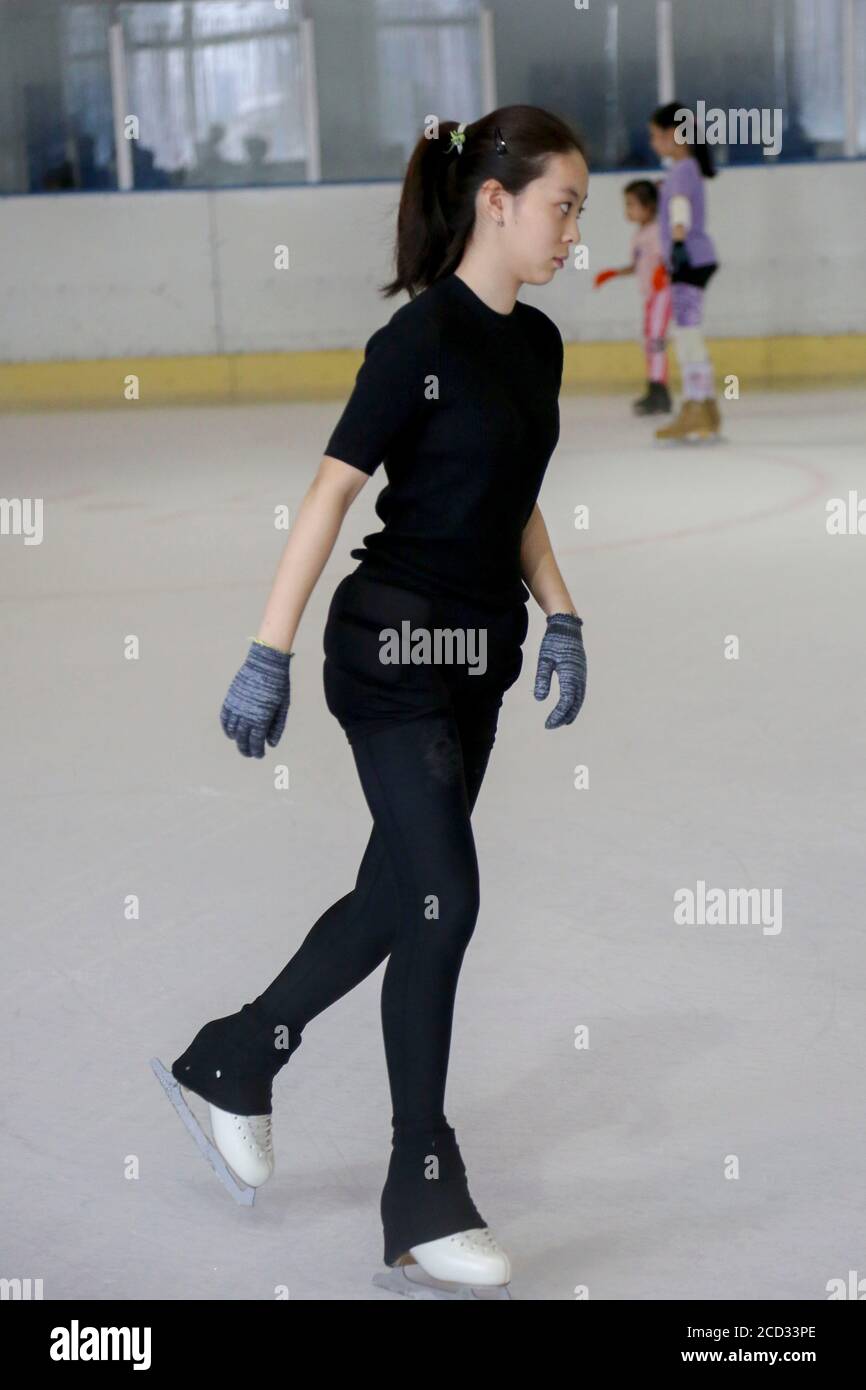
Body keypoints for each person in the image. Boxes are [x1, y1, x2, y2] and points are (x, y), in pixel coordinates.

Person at [168, 104, 589, 1296]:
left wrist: (559, 610)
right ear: (495, 202)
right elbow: (328, 491)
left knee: (391, 893)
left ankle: (232, 1059)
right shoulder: (415, 342)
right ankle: (422, 1183)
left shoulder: (539, 345)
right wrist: (268, 649)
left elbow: (509, 495)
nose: (572, 229)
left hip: (476, 658)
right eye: (560, 203)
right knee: (442, 900)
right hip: (391, 652)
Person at [648, 101, 721, 441]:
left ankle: (696, 406)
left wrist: (677, 243)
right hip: (696, 258)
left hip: (687, 260)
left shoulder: (680, 170)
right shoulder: (688, 168)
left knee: (687, 334)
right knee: (689, 332)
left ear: (671, 135)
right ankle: (705, 408)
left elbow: (680, 208)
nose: (652, 142)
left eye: (654, 135)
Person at [593, 178, 672, 415]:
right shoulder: (640, 235)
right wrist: (615, 273)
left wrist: (662, 272)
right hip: (650, 295)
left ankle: (659, 392)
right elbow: (640, 265)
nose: (627, 210)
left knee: (656, 340)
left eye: (631, 204)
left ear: (648, 207)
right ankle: (655, 388)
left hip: (662, 293)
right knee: (649, 340)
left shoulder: (657, 231)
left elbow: (667, 259)